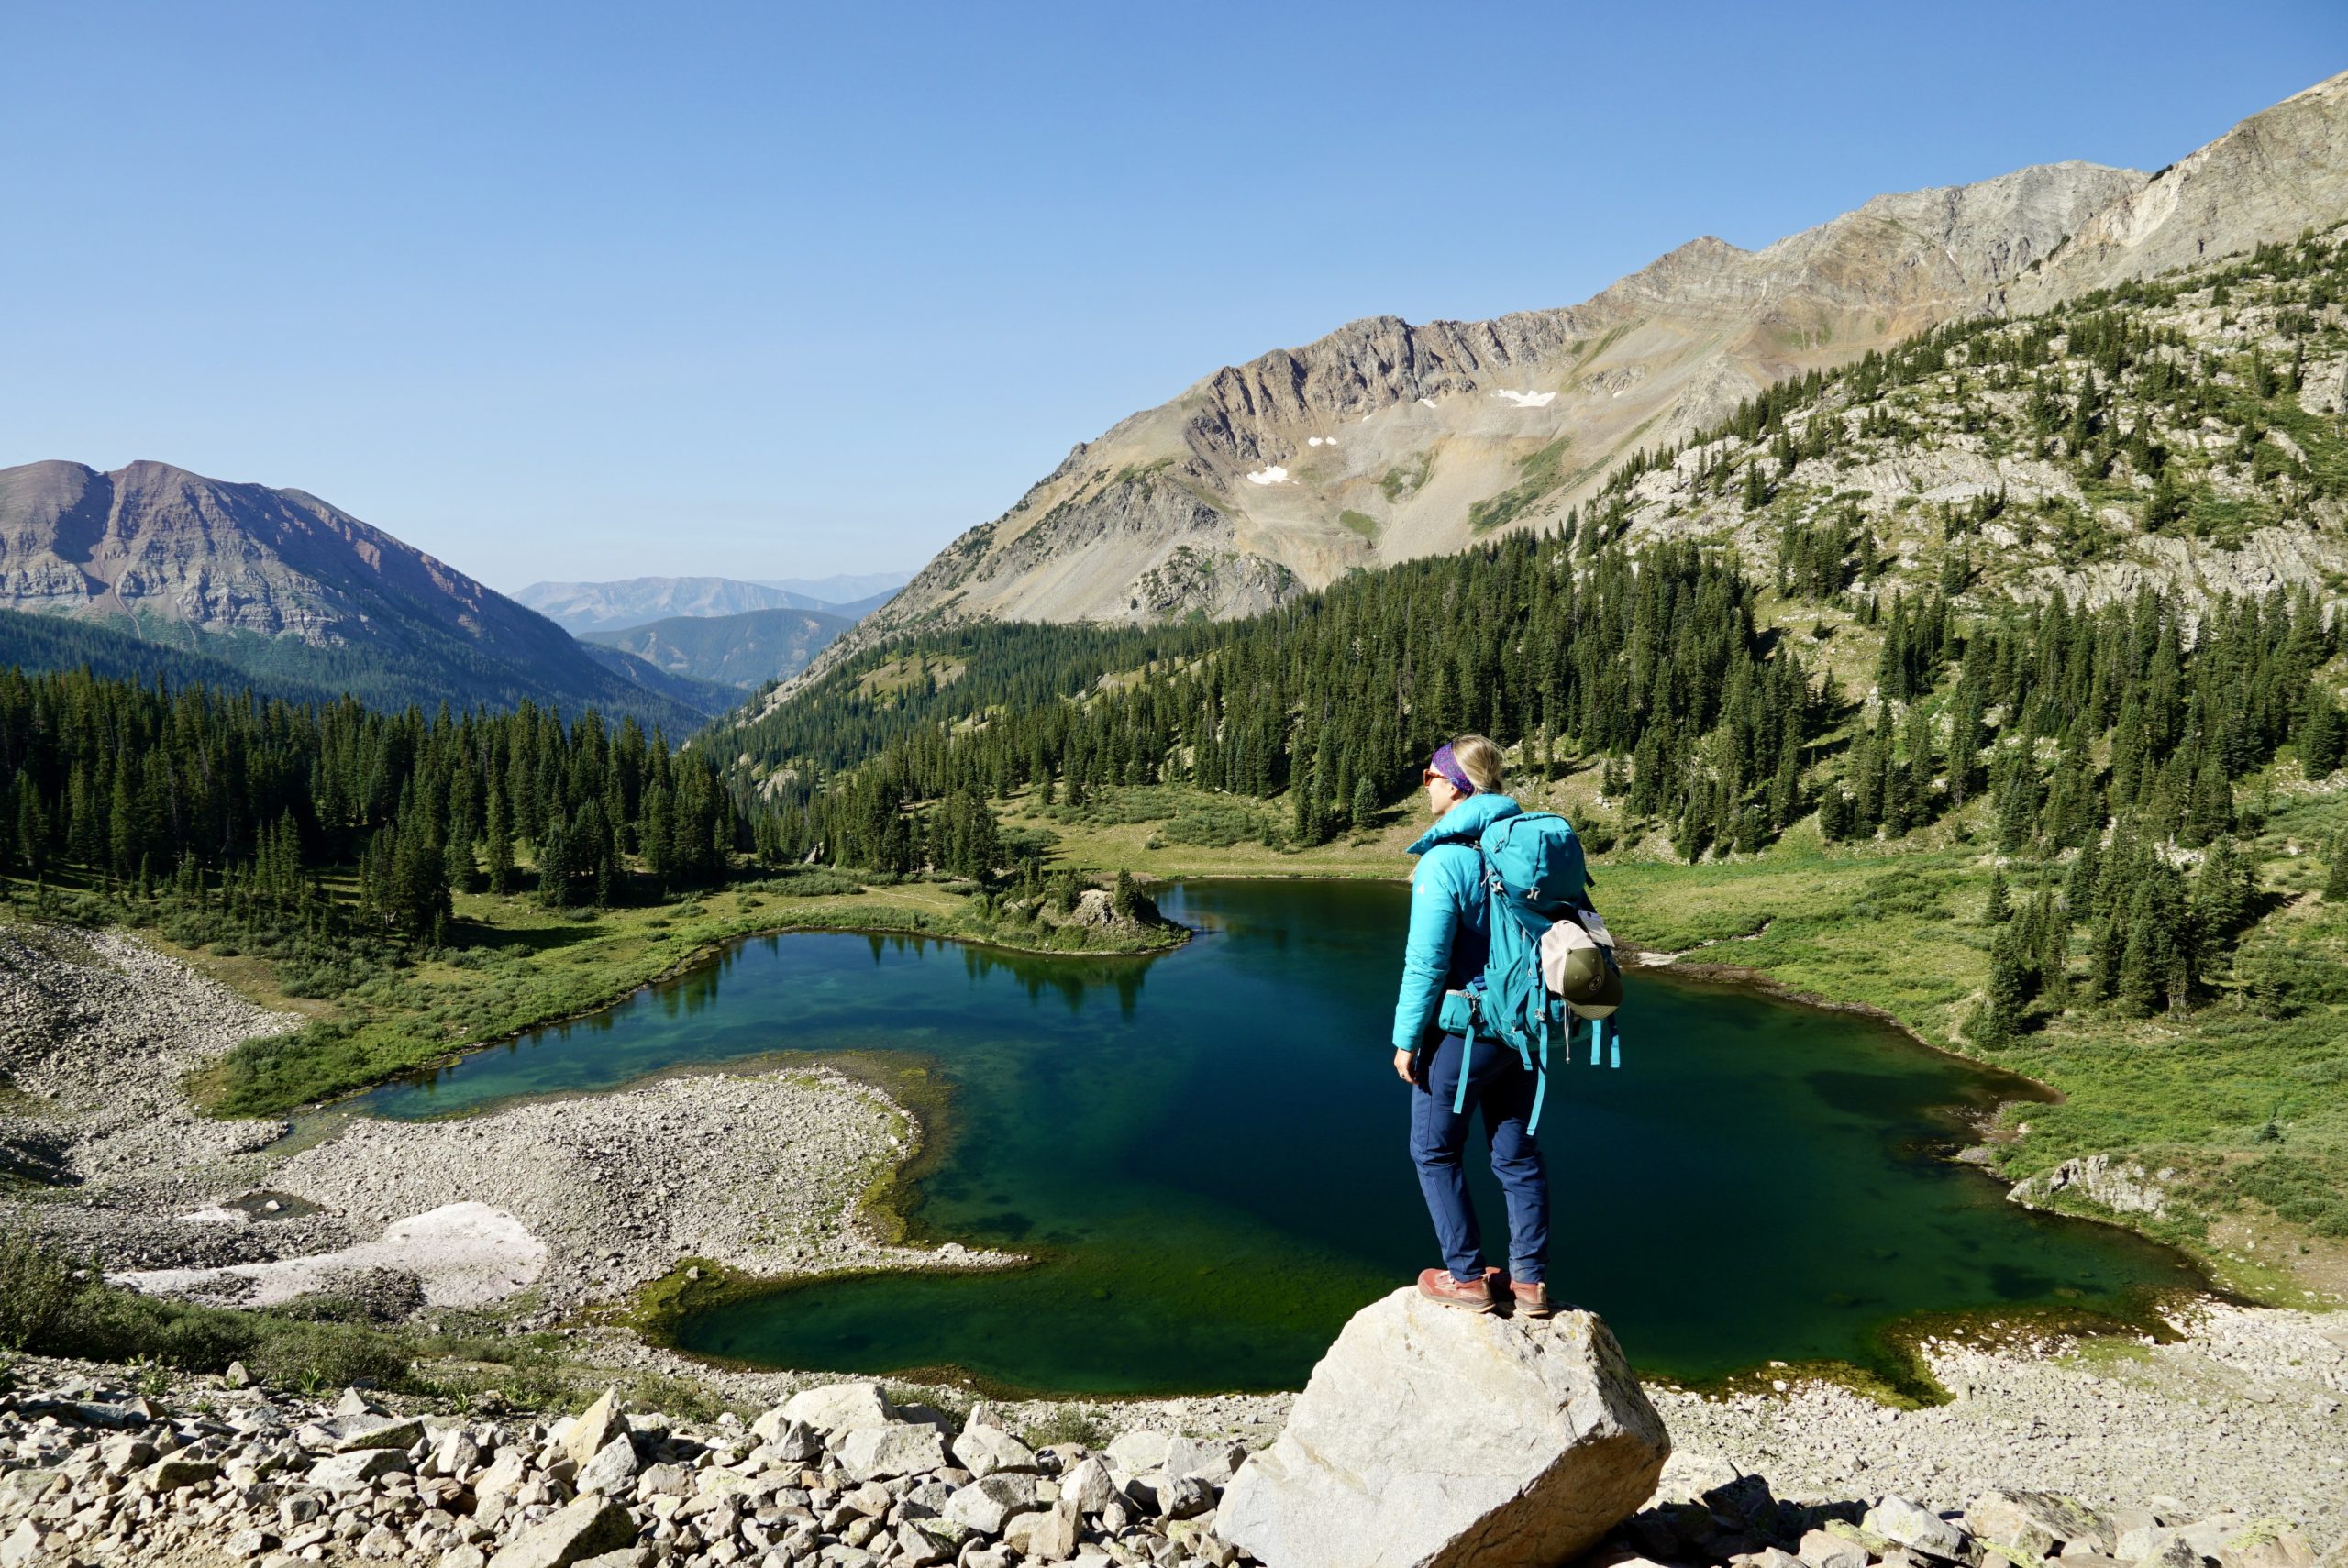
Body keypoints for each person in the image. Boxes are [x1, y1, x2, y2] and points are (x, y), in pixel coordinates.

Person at [1389, 733, 1551, 1317]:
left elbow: (1427, 963)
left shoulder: (1444, 860)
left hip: (1465, 1033)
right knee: (1516, 1154)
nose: (1424, 786)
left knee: (1434, 1152)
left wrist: (1406, 1040)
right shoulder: (1524, 845)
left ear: (1456, 785)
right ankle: (1529, 1284)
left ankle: (1466, 1278)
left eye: (1430, 776)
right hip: (1522, 1029)